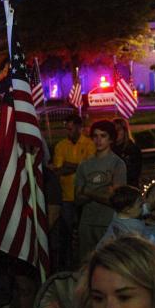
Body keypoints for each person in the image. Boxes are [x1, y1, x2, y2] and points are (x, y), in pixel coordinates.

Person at [75, 120, 127, 264]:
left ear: (111, 139)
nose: (98, 140)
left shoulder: (118, 164)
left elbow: (115, 199)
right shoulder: (84, 165)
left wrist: (88, 190)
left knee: (109, 264)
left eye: (103, 136)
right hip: (87, 223)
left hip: (108, 223)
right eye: (95, 136)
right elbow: (77, 198)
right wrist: (104, 189)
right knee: (87, 264)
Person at [52, 114, 95, 270]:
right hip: (66, 196)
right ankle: (68, 264)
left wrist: (69, 167)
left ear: (79, 127)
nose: (68, 132)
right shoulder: (61, 145)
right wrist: (77, 166)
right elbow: (58, 169)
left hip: (84, 196)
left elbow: (89, 168)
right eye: (67, 128)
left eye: (71, 128)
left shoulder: (90, 144)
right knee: (67, 232)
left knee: (84, 232)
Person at [111, 118, 142, 187]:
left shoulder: (133, 149)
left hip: (128, 188)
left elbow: (134, 173)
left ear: (125, 131)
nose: (116, 133)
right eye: (114, 130)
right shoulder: (109, 149)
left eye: (118, 130)